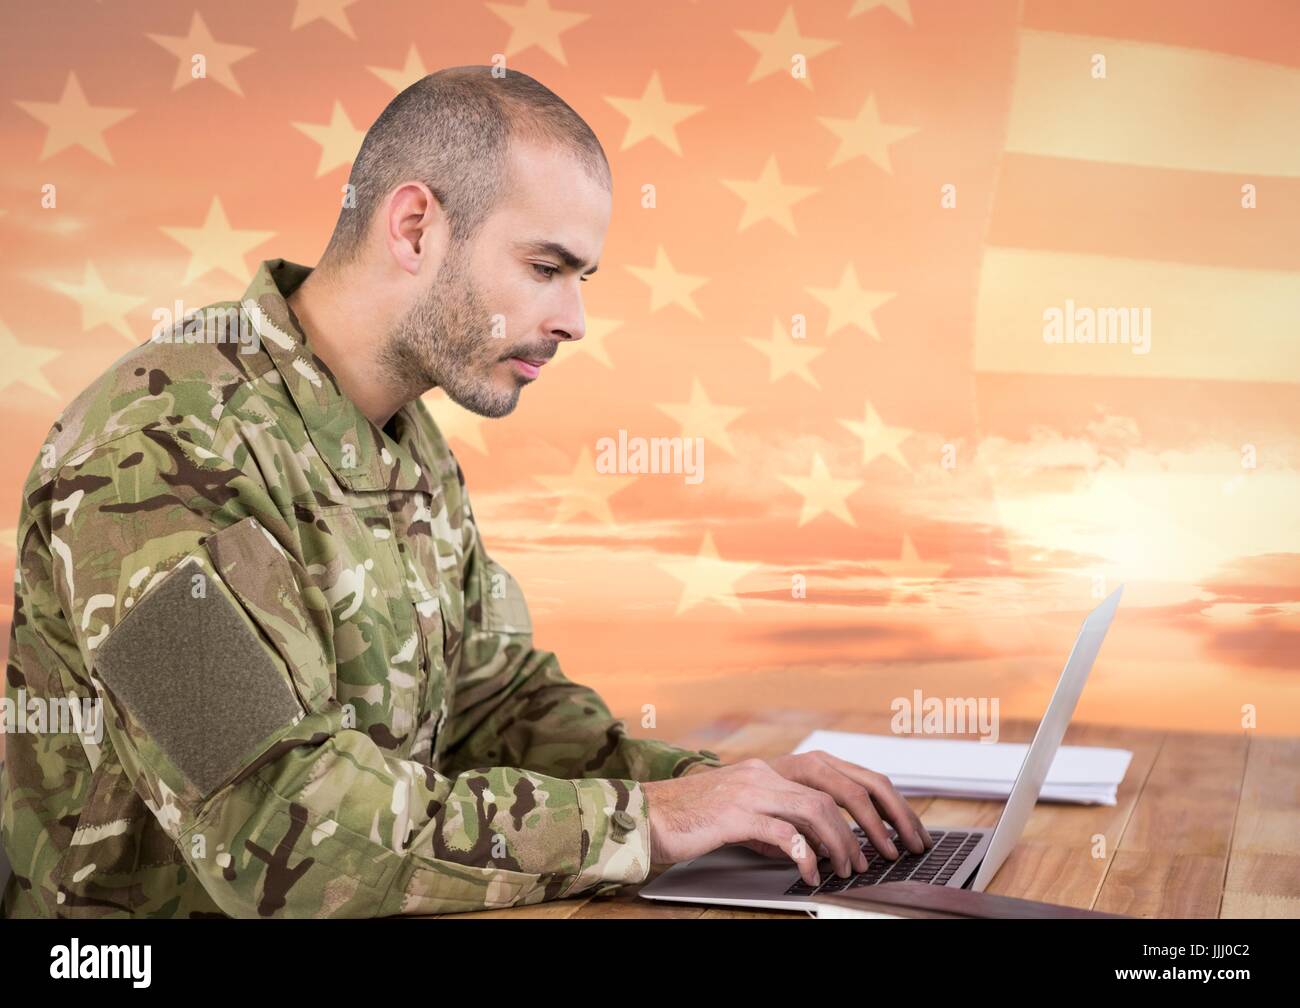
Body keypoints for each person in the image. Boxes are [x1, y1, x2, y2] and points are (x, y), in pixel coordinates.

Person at [0, 65, 930, 918]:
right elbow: (276, 831)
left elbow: (493, 704)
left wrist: (734, 792)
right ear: (415, 227)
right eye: (545, 268)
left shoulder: (406, 436)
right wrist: (642, 820)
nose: (572, 319)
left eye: (580, 277)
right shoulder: (149, 459)